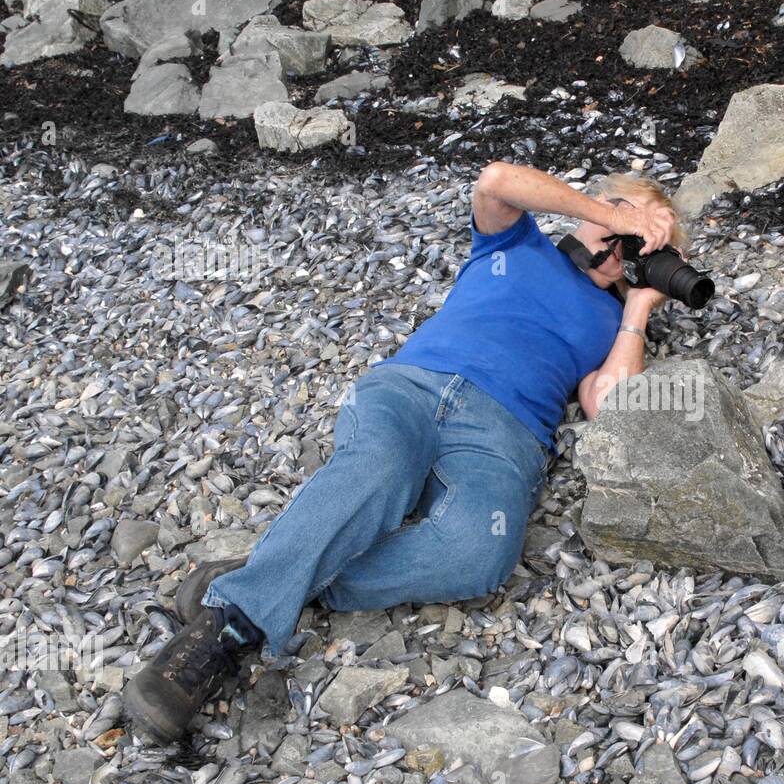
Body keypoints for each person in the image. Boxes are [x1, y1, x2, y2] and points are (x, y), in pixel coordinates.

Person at [123, 162, 686, 744]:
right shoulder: (517, 241)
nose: (623, 247)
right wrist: (613, 216)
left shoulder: (612, 321)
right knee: (381, 469)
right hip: (415, 386)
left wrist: (640, 304)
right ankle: (228, 629)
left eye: (640, 245)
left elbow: (608, 403)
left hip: (503, 436)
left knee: (479, 553)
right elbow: (495, 179)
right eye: (625, 226)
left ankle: (276, 574)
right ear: (601, 207)